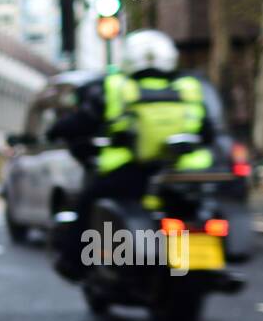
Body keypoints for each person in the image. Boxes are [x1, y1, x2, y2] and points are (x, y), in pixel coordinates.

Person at [47, 29, 214, 279]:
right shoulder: (189, 87)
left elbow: (82, 121)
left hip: (131, 174)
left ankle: (74, 263)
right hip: (184, 175)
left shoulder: (117, 88)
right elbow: (208, 131)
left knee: (87, 200)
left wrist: (55, 130)